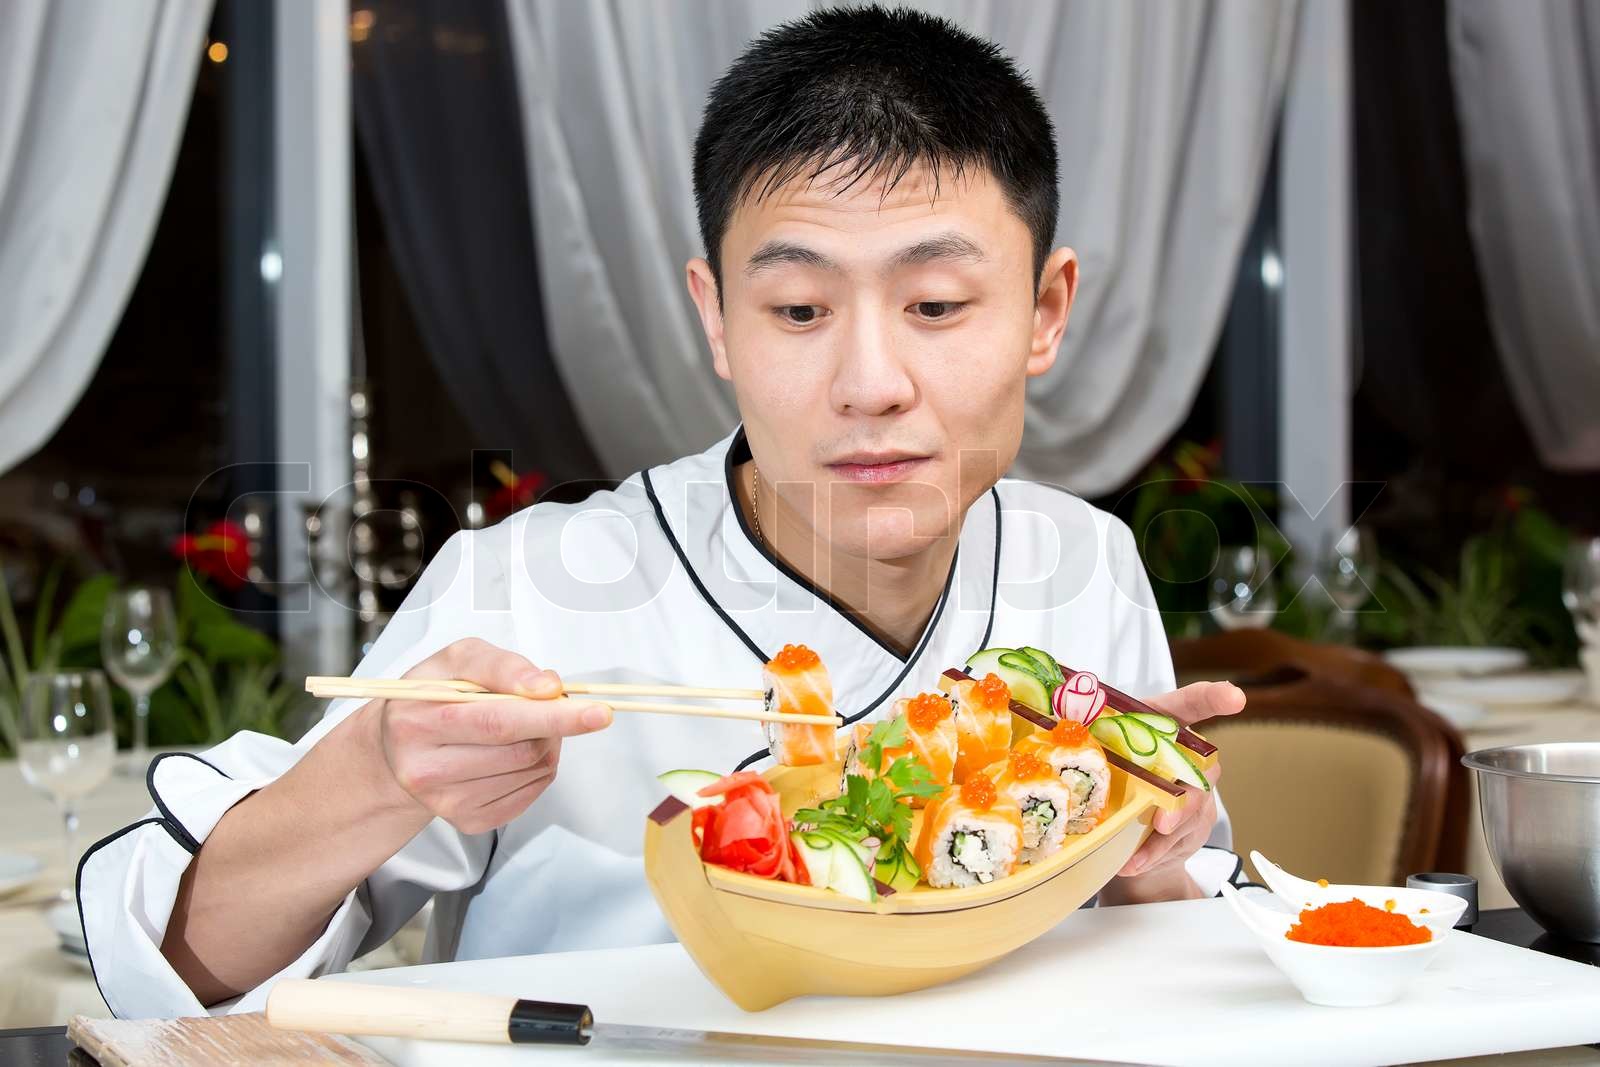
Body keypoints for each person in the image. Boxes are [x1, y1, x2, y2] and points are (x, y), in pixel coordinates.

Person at [79, 5, 1245, 1018]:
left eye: (937, 302)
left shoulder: (1082, 560)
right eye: (796, 309)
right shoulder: (530, 586)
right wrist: (382, 772)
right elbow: (177, 967)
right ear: (715, 316)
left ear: (1045, 310)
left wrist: (1147, 858)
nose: (871, 379)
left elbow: (1182, 947)